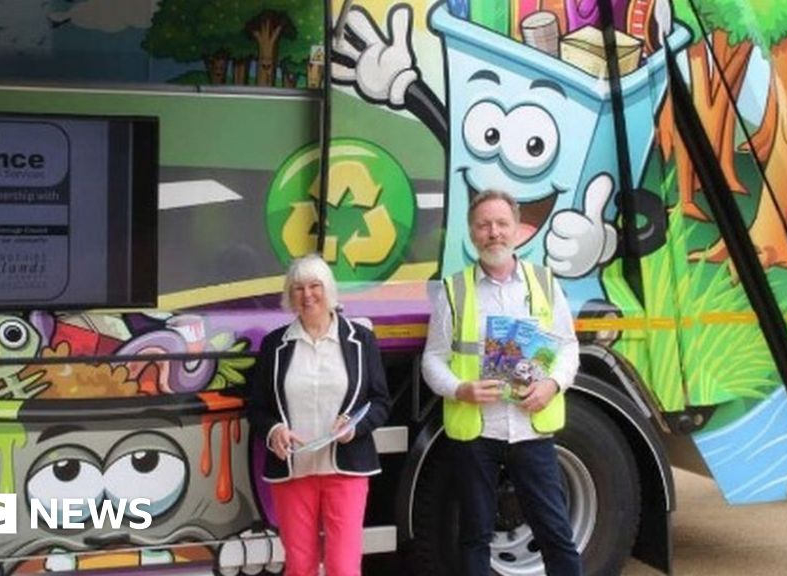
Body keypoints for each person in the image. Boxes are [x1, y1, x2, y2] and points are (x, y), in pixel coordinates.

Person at [422, 189, 582, 576]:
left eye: (501, 224)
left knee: (555, 533)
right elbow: (432, 359)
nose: (493, 232)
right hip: (478, 432)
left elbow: (568, 346)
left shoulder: (543, 283)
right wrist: (460, 389)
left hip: (531, 428)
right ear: (472, 233)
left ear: (517, 229)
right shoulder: (454, 290)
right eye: (484, 225)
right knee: (475, 536)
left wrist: (552, 386)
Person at [249, 253, 391, 576]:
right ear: (290, 295)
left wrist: (355, 428)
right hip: (293, 470)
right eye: (298, 288)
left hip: (346, 470)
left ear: (329, 290)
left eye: (315, 286)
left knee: (343, 566)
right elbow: (257, 407)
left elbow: (380, 402)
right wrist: (273, 432)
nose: (307, 295)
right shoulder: (274, 345)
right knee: (300, 567)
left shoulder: (361, 341)